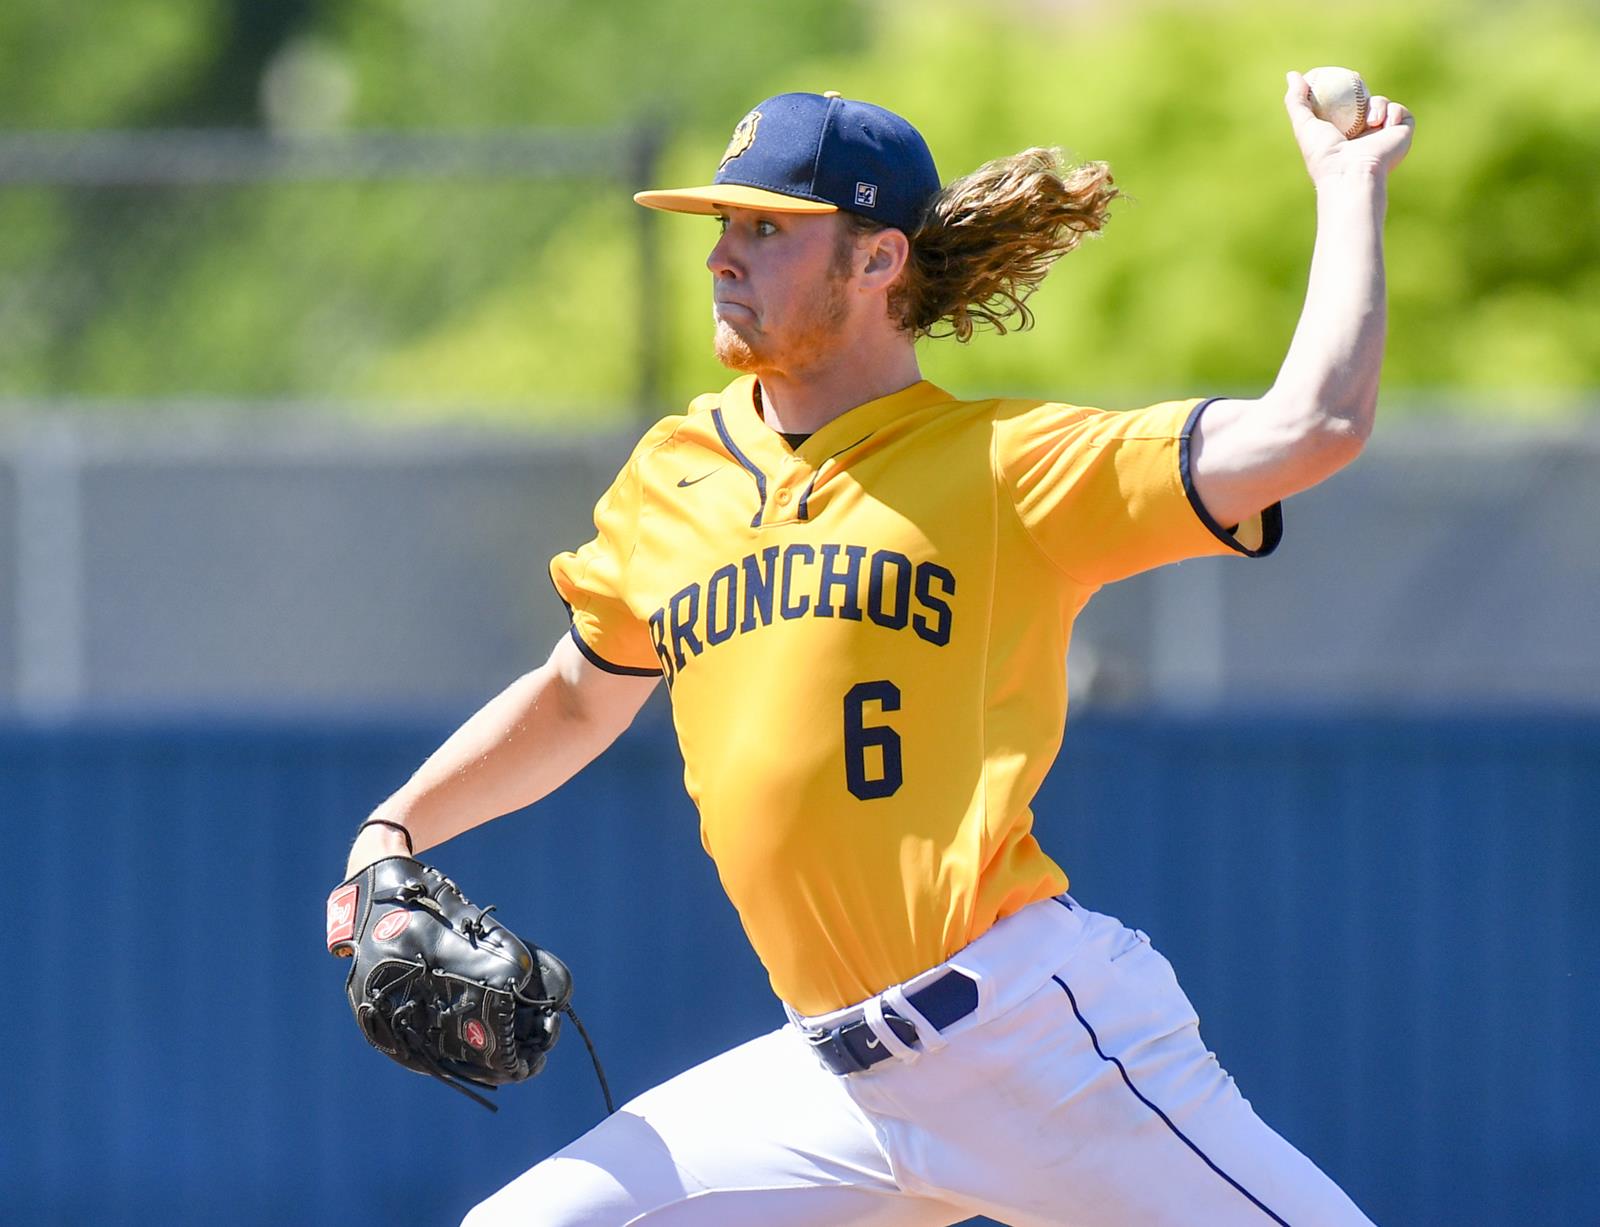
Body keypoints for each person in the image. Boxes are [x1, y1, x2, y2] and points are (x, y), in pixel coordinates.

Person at [343, 77, 1413, 1226]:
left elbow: (1313, 427)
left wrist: (1348, 189)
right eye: (721, 226)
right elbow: (572, 701)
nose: (720, 256)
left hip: (1026, 1042)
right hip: (832, 1086)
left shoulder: (1003, 465)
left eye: (766, 228)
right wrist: (393, 827)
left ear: (876, 261)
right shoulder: (675, 474)